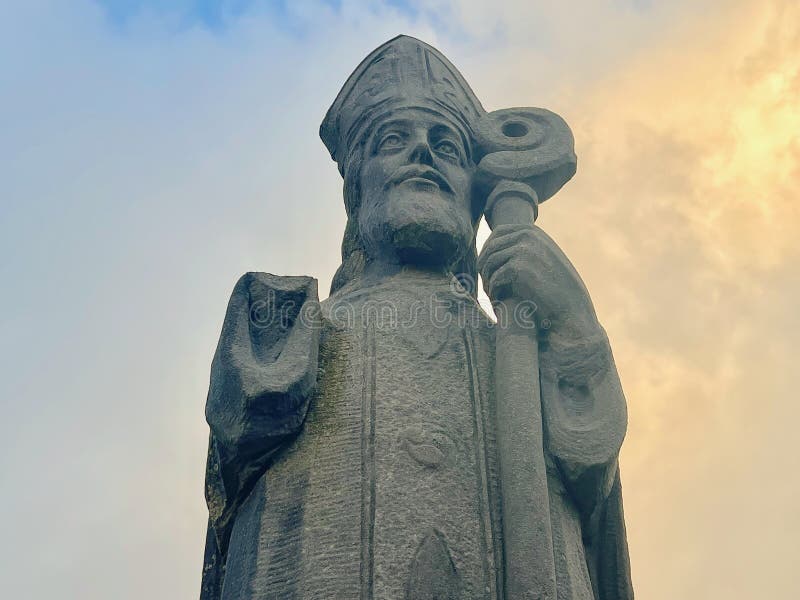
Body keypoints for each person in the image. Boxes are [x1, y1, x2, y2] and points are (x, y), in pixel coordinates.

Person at [201, 35, 633, 600]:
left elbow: (587, 469)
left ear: (472, 195)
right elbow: (235, 460)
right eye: (393, 140)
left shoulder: (525, 350)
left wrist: (573, 324)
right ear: (358, 185)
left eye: (446, 146)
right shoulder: (285, 326)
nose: (422, 153)